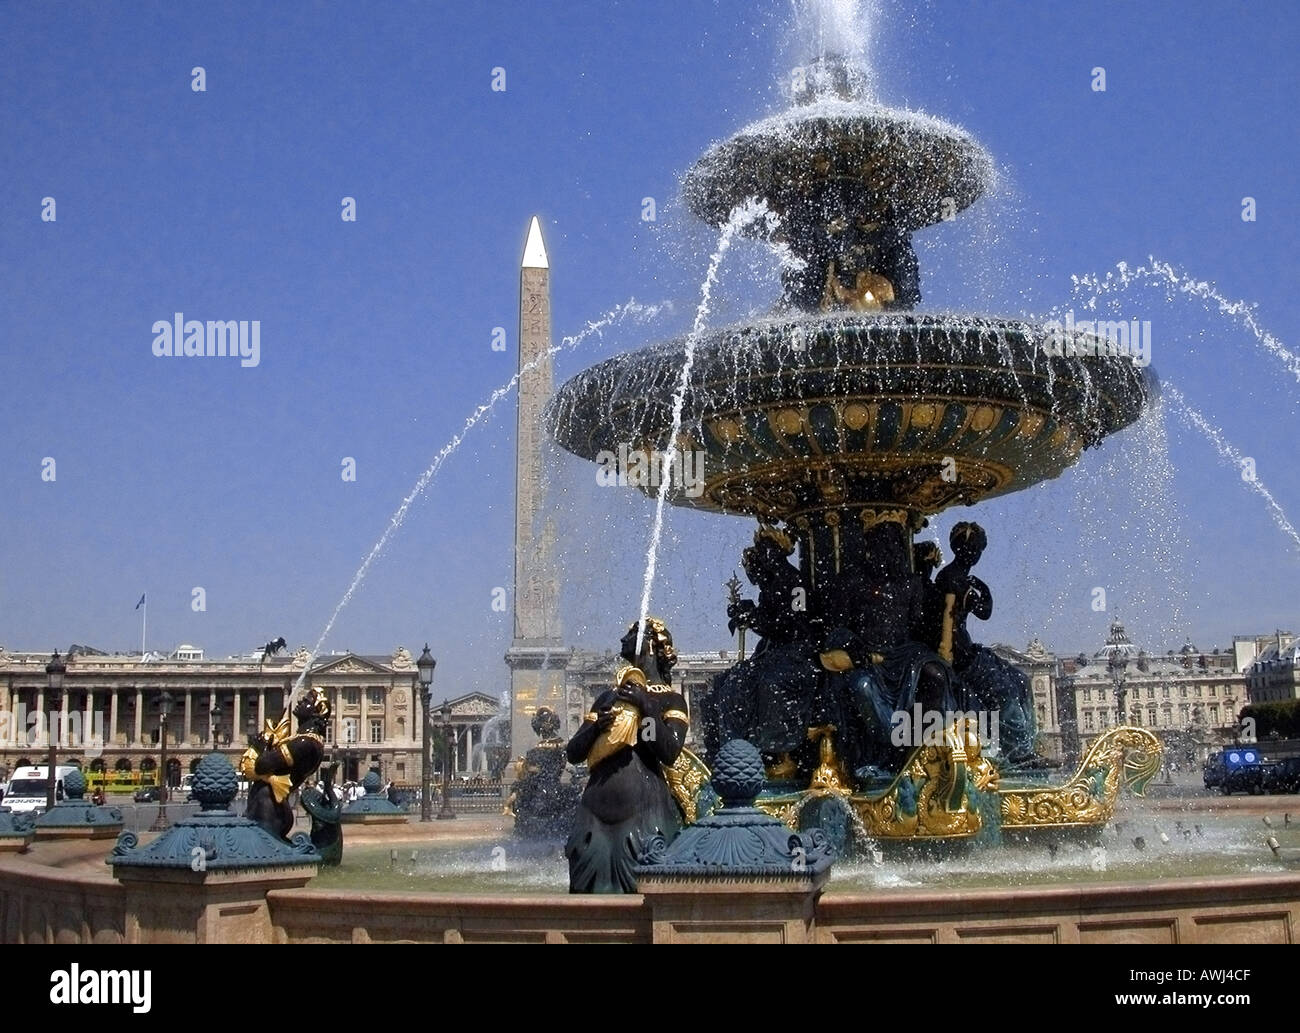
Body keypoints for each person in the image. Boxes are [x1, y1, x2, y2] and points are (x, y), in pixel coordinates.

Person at [565, 618, 689, 894]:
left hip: (643, 817)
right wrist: (596, 727)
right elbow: (573, 753)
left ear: (652, 646)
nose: (623, 639)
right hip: (593, 816)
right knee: (587, 905)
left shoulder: (671, 700)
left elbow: (668, 752)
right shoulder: (607, 698)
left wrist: (646, 706)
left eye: (633, 634)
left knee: (640, 899)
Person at [239, 687, 331, 840]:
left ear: (317, 711)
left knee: (258, 855)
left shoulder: (305, 742)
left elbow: (261, 766)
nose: (301, 701)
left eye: (307, 701)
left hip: (268, 808)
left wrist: (259, 746)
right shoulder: (308, 741)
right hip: (274, 806)